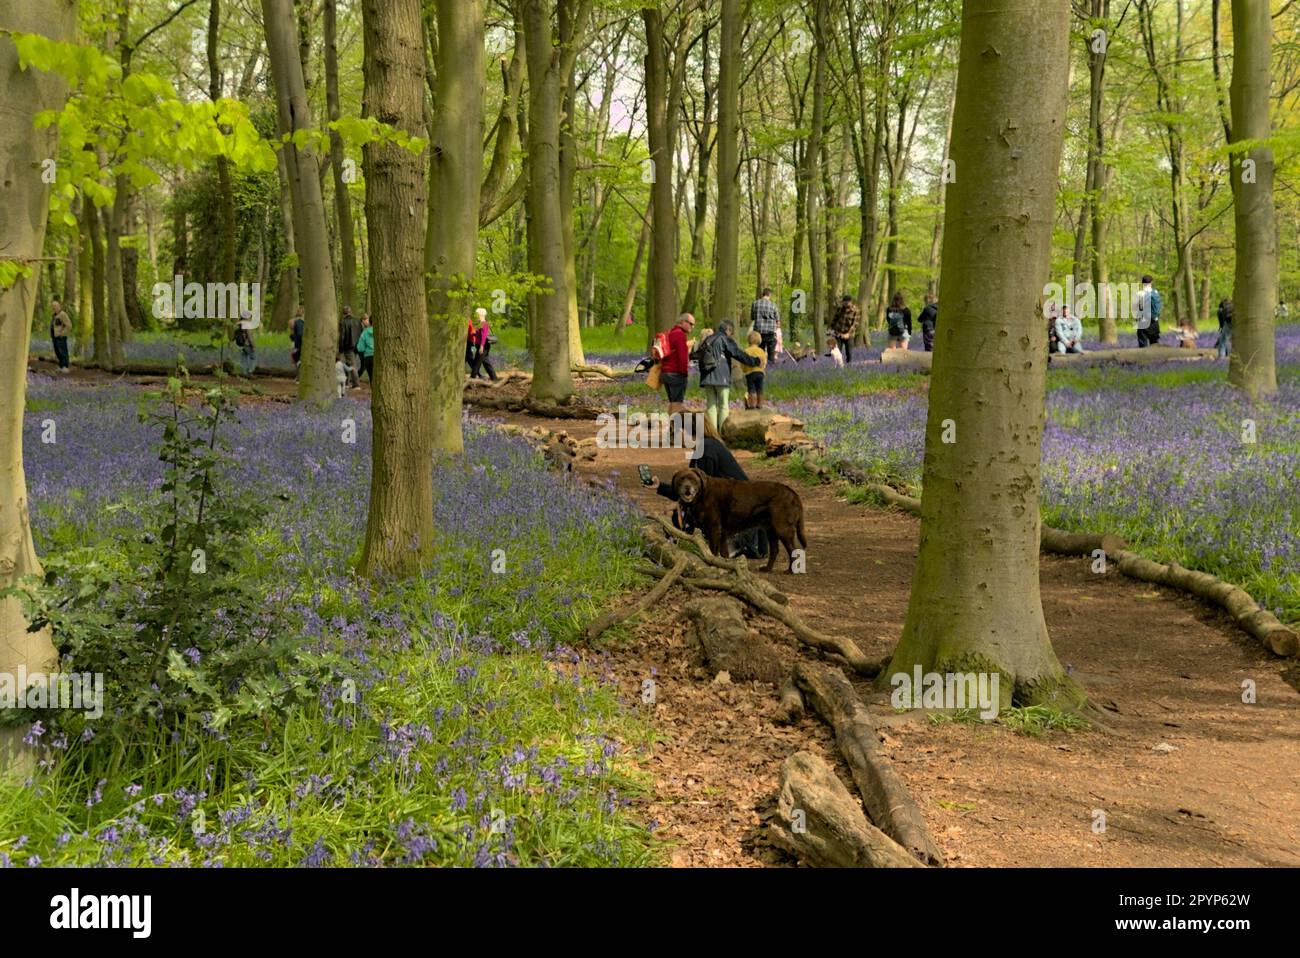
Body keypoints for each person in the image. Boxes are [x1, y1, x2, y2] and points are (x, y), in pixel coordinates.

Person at [642, 423, 768, 560]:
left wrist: (679, 504)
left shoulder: (706, 450)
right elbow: (690, 492)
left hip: (744, 519)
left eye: (675, 432)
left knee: (685, 513)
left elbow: (701, 496)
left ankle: (729, 546)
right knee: (682, 512)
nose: (673, 436)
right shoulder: (703, 448)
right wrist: (660, 486)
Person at [692, 318, 760, 433]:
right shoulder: (725, 339)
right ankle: (723, 432)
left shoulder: (708, 339)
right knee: (723, 405)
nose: (731, 334)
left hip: (707, 377)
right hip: (721, 377)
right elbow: (738, 353)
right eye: (731, 331)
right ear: (728, 329)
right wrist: (754, 361)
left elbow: (697, 355)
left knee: (711, 405)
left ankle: (713, 433)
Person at [659, 312, 695, 423]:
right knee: (677, 403)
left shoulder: (670, 333)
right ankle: (675, 430)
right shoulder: (680, 335)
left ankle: (670, 427)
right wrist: (684, 373)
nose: (692, 327)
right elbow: (682, 357)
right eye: (691, 324)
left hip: (665, 373)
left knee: (672, 402)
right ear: (683, 322)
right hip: (675, 374)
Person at [750, 288, 781, 364]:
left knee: (760, 352)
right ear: (769, 295)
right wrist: (777, 330)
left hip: (758, 333)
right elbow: (778, 321)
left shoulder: (755, 304)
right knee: (771, 353)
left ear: (762, 294)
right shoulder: (773, 305)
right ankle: (771, 369)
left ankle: (759, 368)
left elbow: (752, 317)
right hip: (770, 332)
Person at [829, 294, 860, 363]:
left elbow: (854, 324)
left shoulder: (855, 311)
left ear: (851, 302)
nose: (845, 304)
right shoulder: (840, 309)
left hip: (849, 335)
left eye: (847, 302)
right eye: (844, 302)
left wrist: (848, 334)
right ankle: (838, 366)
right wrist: (830, 329)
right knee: (837, 352)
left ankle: (849, 366)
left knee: (849, 352)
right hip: (838, 333)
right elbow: (835, 319)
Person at [470, 307, 498, 381]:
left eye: (477, 314)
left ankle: (472, 379)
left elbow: (484, 337)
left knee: (476, 363)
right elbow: (478, 335)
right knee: (486, 363)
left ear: (481, 314)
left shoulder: (484, 324)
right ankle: (494, 378)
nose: (476, 316)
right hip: (480, 345)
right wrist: (473, 334)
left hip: (483, 346)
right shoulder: (480, 324)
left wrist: (481, 347)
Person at [1134, 275, 1162, 347]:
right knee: (1155, 344)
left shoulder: (1138, 293)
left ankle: (1143, 358)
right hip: (1153, 321)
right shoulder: (1155, 293)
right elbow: (1158, 307)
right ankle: (1157, 358)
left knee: (1143, 344)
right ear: (1151, 283)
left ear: (1142, 283)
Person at [338, 305, 362, 386]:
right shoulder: (358, 321)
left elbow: (342, 336)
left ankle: (356, 384)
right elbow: (361, 333)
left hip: (348, 346)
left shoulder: (343, 322)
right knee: (349, 363)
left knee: (352, 365)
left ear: (343, 313)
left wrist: (340, 348)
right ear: (351, 312)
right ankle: (347, 383)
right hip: (357, 346)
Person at [743, 330, 767, 409]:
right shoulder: (761, 351)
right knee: (760, 388)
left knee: (751, 389)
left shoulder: (746, 351)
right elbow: (764, 361)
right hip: (760, 372)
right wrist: (762, 368)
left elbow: (743, 361)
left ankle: (752, 404)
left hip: (750, 372)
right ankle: (760, 404)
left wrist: (744, 370)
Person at [50, 299, 72, 373]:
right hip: (55, 336)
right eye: (53, 306)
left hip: (61, 337)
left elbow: (69, 325)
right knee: (58, 352)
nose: (54, 307)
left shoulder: (63, 314)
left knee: (63, 351)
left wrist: (62, 333)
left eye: (55, 306)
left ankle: (65, 366)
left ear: (59, 306)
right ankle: (61, 366)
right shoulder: (54, 315)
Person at [356, 314, 374, 382]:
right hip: (380, 357)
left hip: (368, 357)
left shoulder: (365, 332)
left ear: (370, 321)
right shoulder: (383, 331)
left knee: (372, 378)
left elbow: (360, 348)